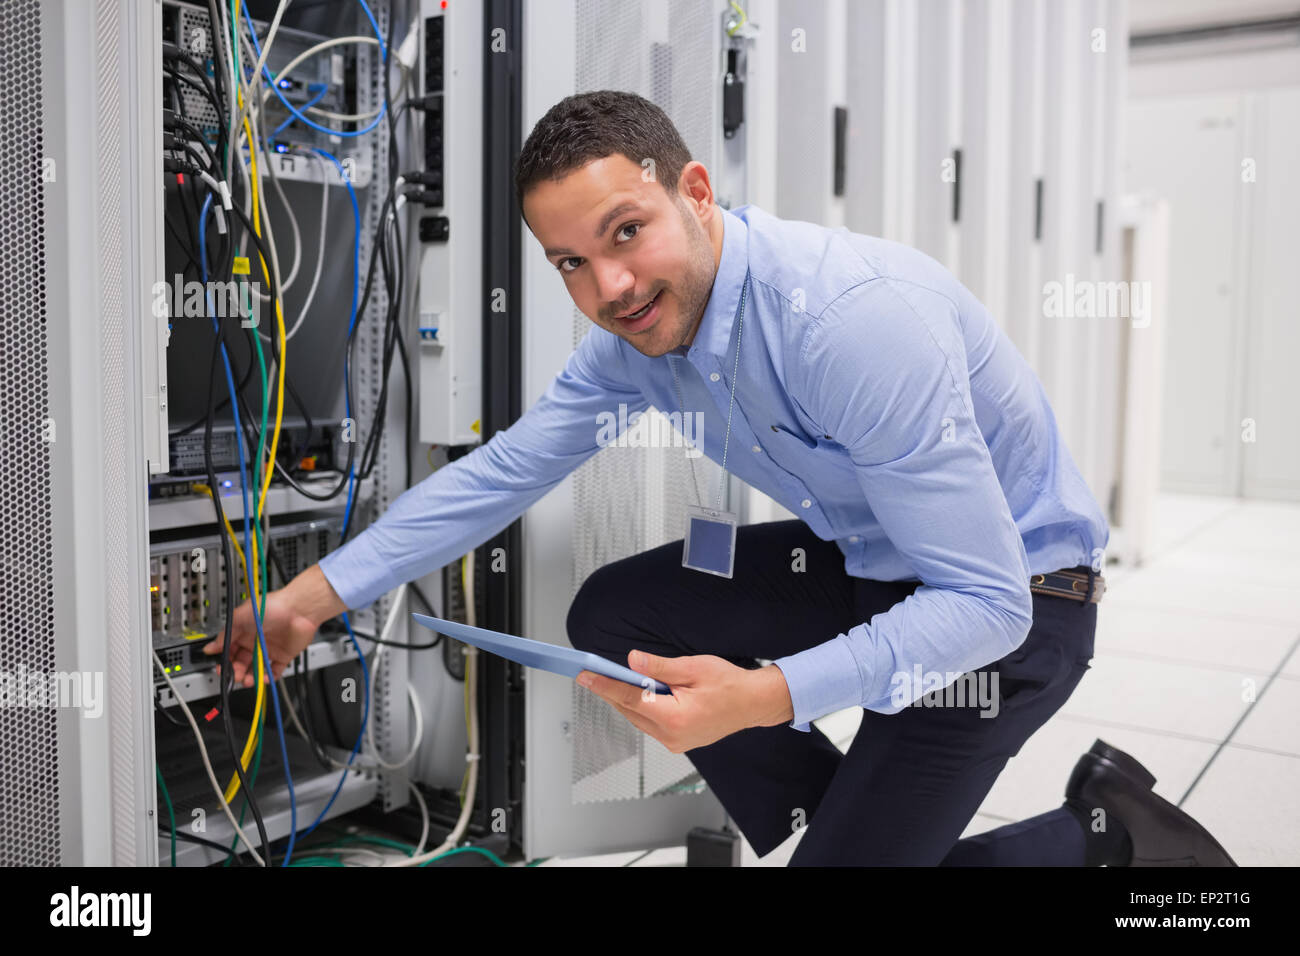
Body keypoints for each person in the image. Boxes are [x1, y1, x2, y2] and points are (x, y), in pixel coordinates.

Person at [205, 90, 1235, 867]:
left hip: (1018, 608)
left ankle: (1107, 842)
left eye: (624, 231)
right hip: (871, 567)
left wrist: (768, 696)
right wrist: (312, 594)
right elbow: (503, 472)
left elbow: (984, 602)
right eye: (569, 262)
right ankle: (828, 827)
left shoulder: (848, 325)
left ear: (693, 191)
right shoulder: (634, 344)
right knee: (621, 608)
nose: (608, 285)